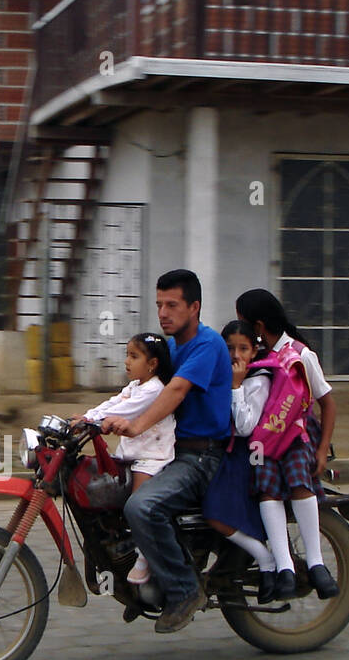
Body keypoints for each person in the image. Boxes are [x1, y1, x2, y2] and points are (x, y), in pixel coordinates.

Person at [102, 269, 232, 633]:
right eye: (159, 304)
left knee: (142, 506)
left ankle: (185, 590)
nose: (163, 313)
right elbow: (140, 389)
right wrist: (94, 416)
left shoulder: (207, 345)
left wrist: (136, 424)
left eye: (172, 305)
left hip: (200, 456)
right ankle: (142, 579)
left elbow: (175, 391)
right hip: (172, 451)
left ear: (195, 307)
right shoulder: (170, 347)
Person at [235, 288, 339, 600]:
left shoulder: (300, 355)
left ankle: (318, 564)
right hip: (262, 442)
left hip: (296, 436)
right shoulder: (256, 357)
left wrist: (322, 451)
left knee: (299, 485)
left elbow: (328, 404)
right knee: (265, 488)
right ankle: (284, 568)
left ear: (259, 325)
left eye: (243, 322)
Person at [76, 332, 176, 586]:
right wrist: (86, 418)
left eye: (134, 356)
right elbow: (112, 403)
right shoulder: (134, 386)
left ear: (152, 364)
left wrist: (90, 421)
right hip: (130, 454)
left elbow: (122, 410)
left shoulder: (154, 389)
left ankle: (144, 559)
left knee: (137, 507)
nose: (127, 362)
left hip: (152, 457)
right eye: (126, 355)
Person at [202, 321, 278, 597]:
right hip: (222, 450)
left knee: (214, 512)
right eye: (229, 348)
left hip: (246, 455)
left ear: (254, 351)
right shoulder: (218, 375)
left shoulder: (258, 380)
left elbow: (246, 425)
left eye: (243, 348)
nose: (236, 355)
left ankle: (265, 558)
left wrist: (236, 386)